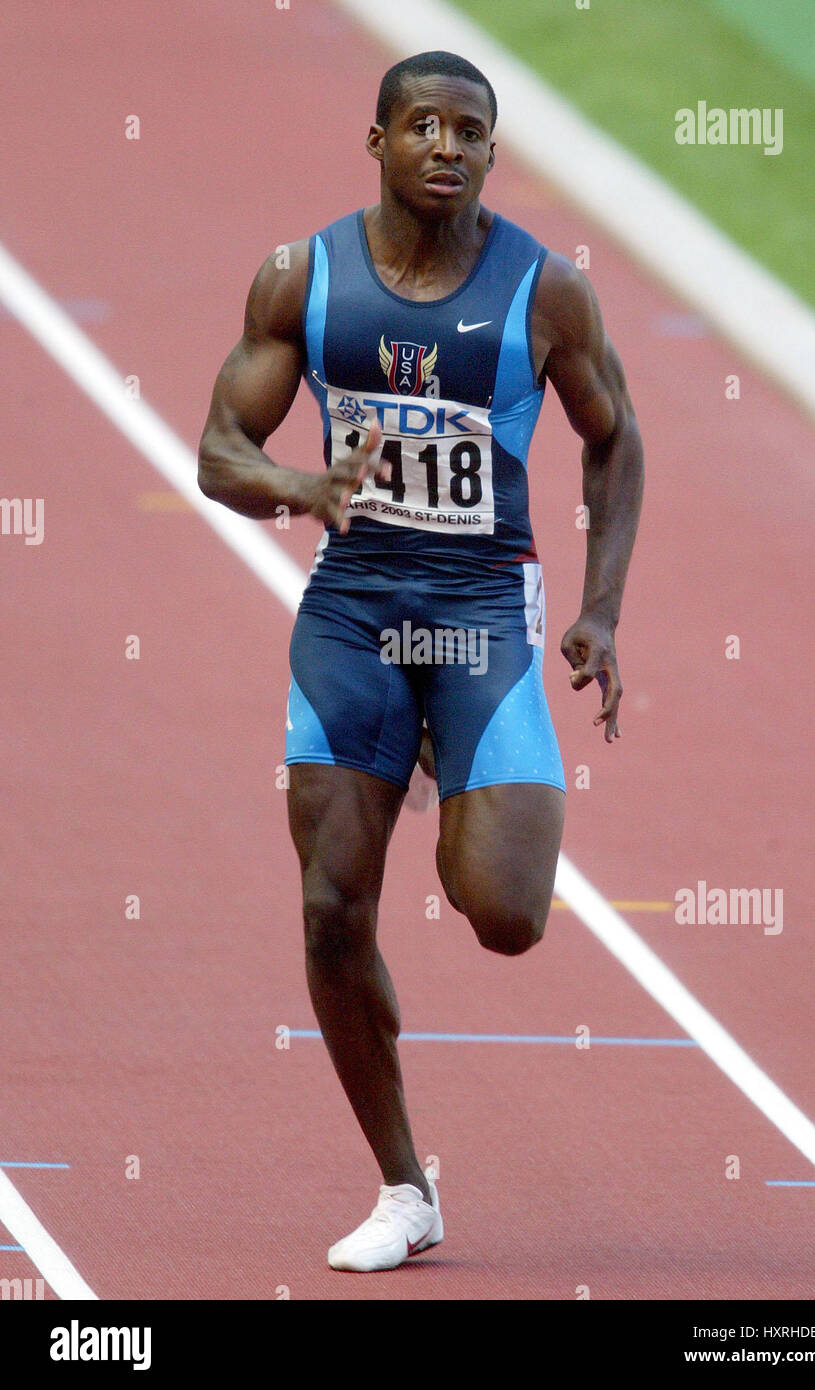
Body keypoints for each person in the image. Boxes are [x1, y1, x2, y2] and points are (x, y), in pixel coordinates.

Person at [198, 50, 644, 1272]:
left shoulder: (546, 293)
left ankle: (458, 753)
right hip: (350, 614)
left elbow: (614, 439)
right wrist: (301, 483)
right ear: (378, 141)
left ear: (493, 155)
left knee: (504, 916)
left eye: (471, 133)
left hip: (480, 617)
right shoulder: (303, 278)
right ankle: (405, 1187)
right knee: (332, 905)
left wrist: (598, 609)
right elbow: (221, 448)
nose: (447, 148)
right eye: (424, 127)